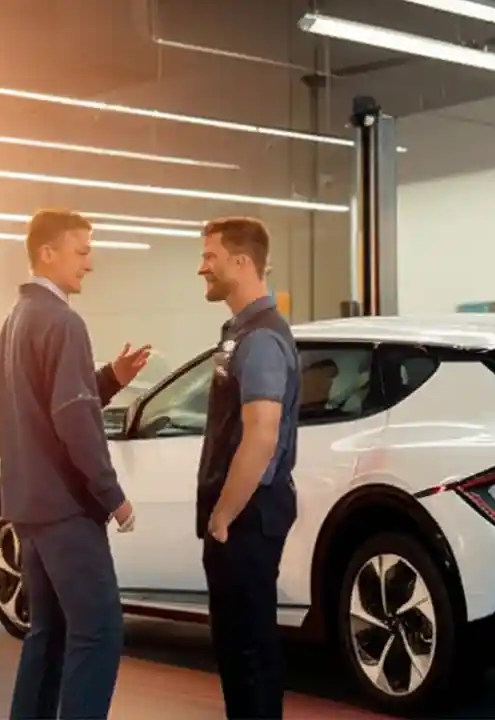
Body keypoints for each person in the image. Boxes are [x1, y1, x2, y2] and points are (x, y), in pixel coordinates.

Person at [0, 209, 152, 720]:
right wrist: (114, 497)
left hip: (29, 508)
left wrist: (108, 378)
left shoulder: (16, 320)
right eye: (81, 251)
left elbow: (51, 403)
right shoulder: (63, 321)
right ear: (48, 252)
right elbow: (74, 423)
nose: (90, 262)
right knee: (99, 631)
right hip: (66, 512)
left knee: (51, 633)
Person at [194, 216, 300, 719]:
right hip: (243, 515)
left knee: (249, 648)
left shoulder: (260, 340)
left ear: (241, 262)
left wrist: (223, 515)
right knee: (237, 646)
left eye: (209, 257)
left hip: (248, 517)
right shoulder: (240, 333)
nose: (202, 268)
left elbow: (261, 433)